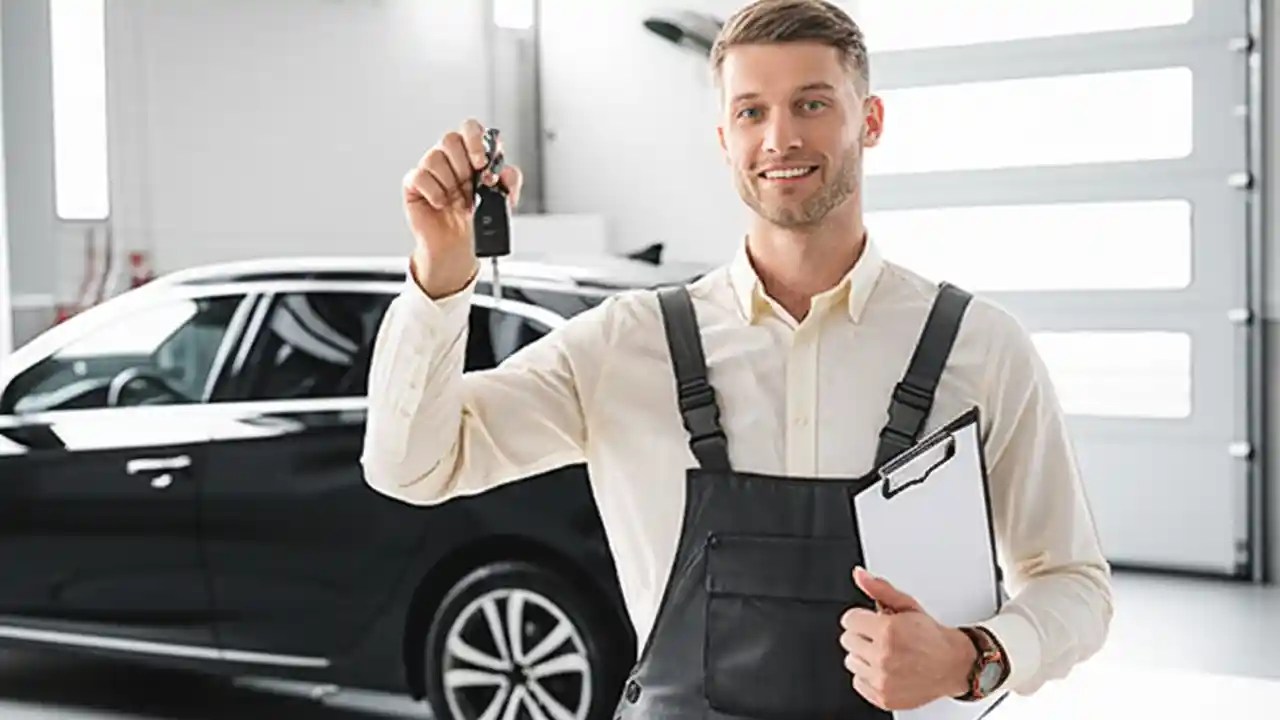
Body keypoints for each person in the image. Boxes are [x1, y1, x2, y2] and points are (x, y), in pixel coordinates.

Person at [361, 0, 1114, 715]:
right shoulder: (626, 344)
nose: (780, 138)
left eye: (812, 104)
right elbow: (414, 466)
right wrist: (439, 272)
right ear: (724, 137)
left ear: (871, 120)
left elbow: (1075, 584)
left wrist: (971, 657)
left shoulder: (981, 347)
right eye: (751, 111)